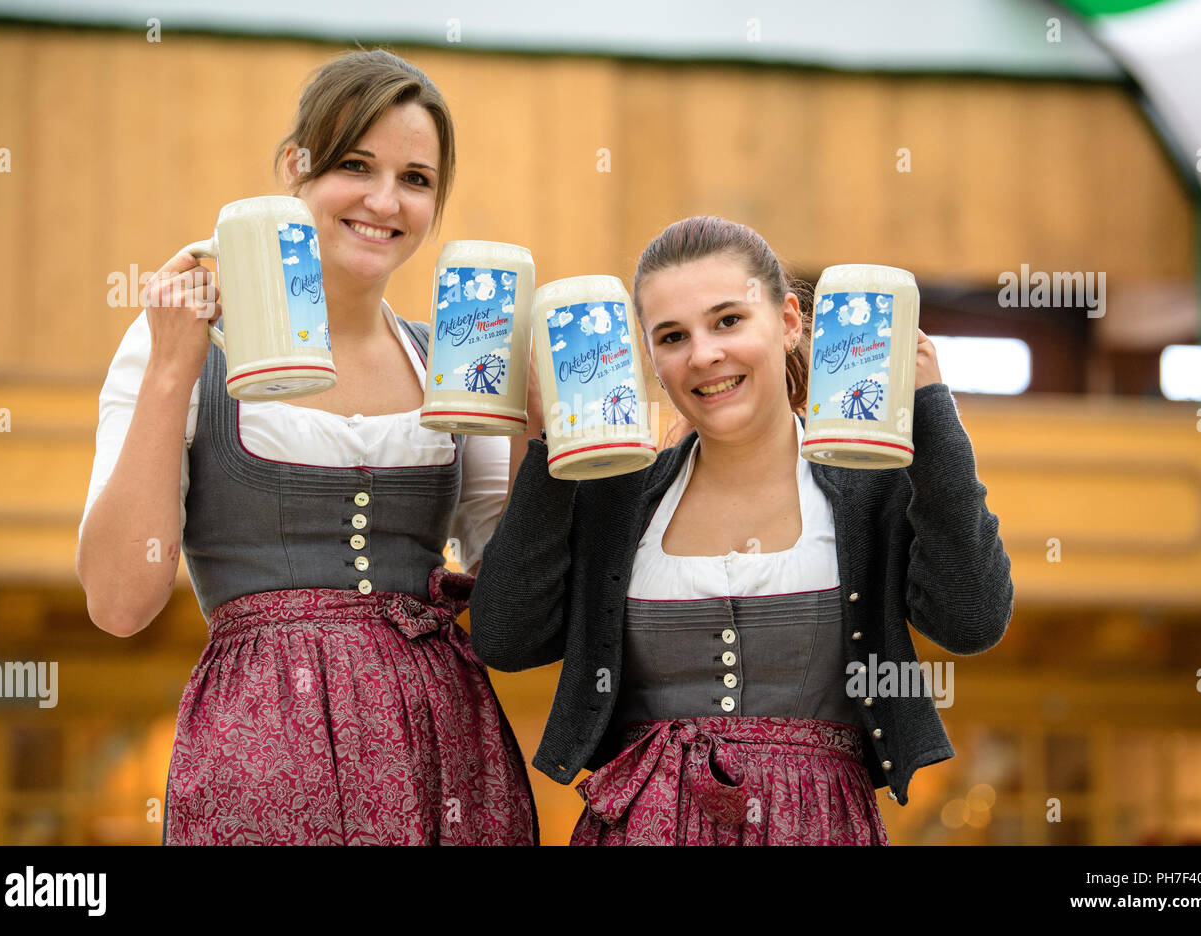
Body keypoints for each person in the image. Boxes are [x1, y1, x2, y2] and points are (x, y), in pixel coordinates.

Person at [76, 49, 537, 845]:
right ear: (295, 165)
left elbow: (513, 614)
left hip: (444, 754)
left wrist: (533, 425)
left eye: (417, 179)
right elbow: (119, 602)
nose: (384, 200)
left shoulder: (454, 367)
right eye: (356, 164)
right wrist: (170, 371)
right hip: (261, 756)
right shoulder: (181, 343)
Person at [468, 215, 1013, 845]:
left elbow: (971, 622)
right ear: (649, 356)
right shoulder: (620, 497)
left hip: (816, 829)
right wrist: (551, 441)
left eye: (728, 320)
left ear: (787, 321)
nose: (703, 355)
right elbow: (505, 638)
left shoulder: (874, 486)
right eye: (672, 336)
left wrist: (930, 411)